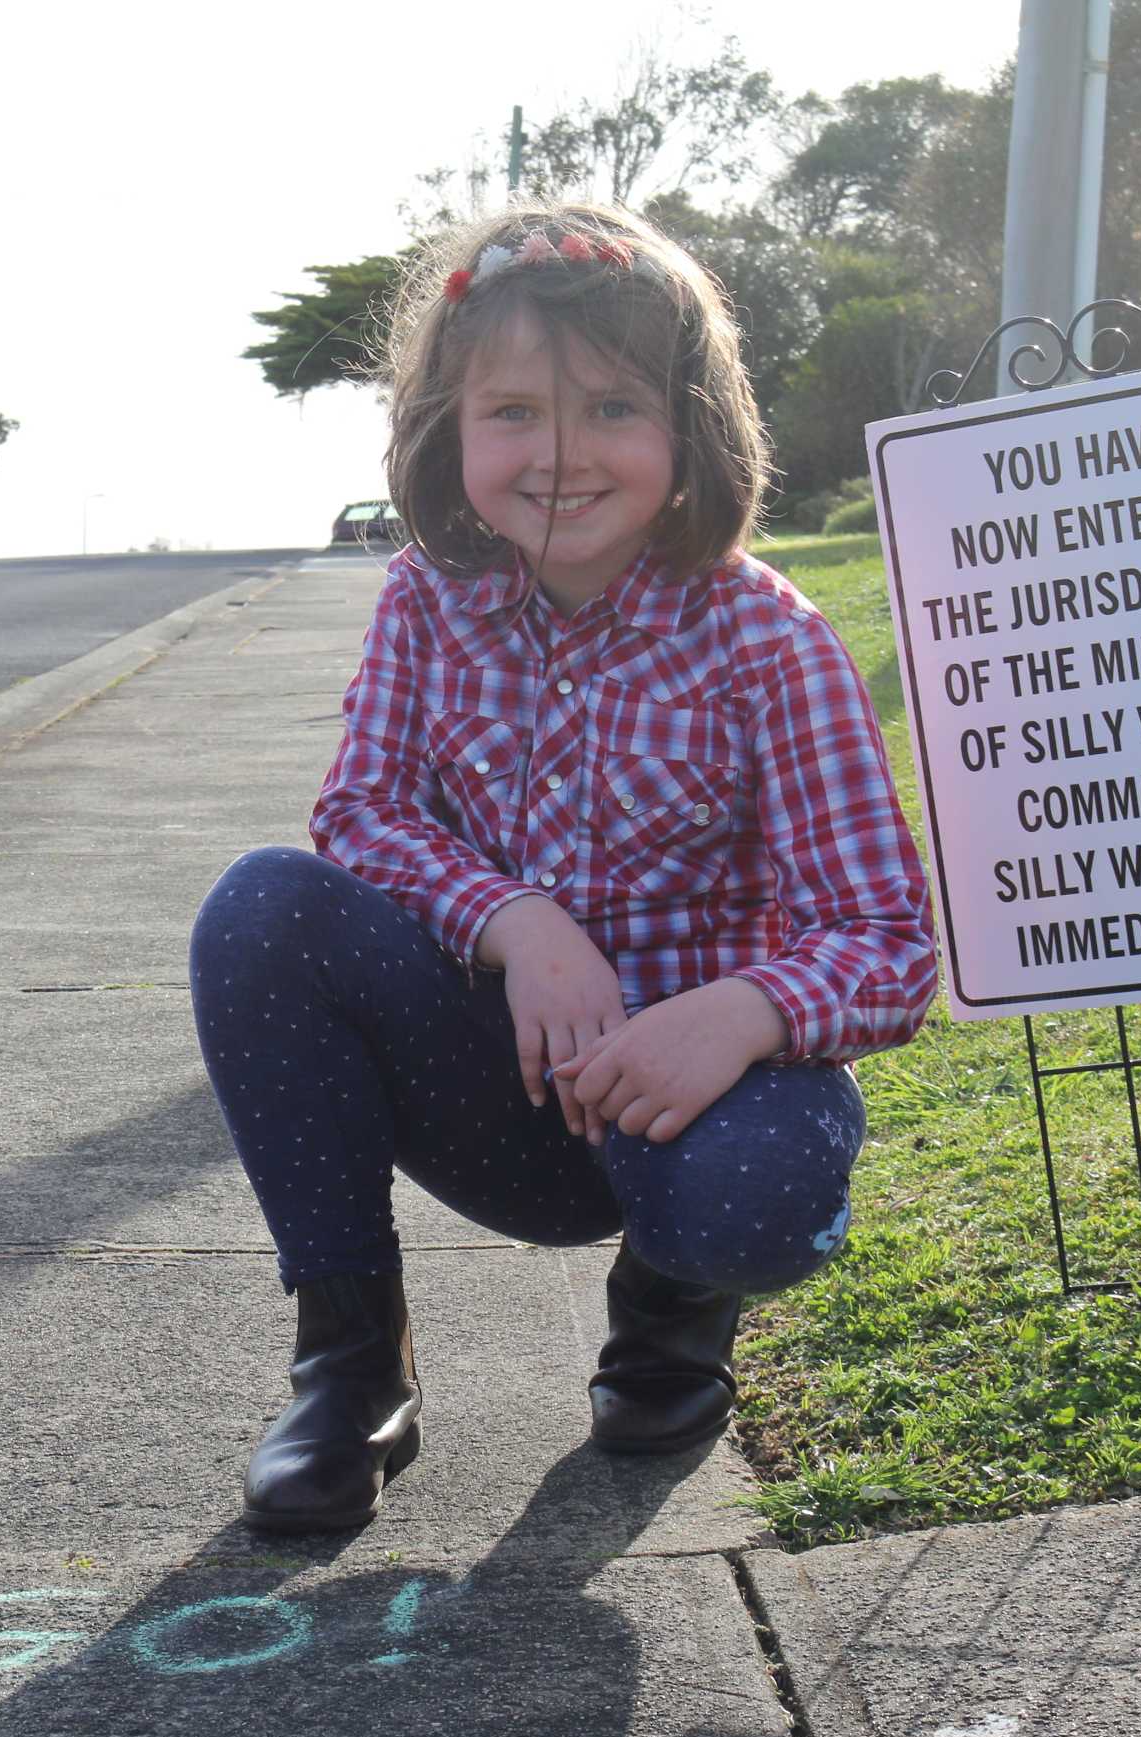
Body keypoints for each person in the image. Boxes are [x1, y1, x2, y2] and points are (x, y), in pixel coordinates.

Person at [190, 203, 935, 1531]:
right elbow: (359, 813)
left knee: (759, 1192)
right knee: (261, 912)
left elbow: (884, 938)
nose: (561, 454)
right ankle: (350, 1366)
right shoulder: (430, 600)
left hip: (696, 1118)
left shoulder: (768, 640)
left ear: (689, 430)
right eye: (514, 413)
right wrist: (516, 917)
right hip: (499, 1092)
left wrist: (739, 1015)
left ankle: (672, 1310)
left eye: (610, 409)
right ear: (448, 432)